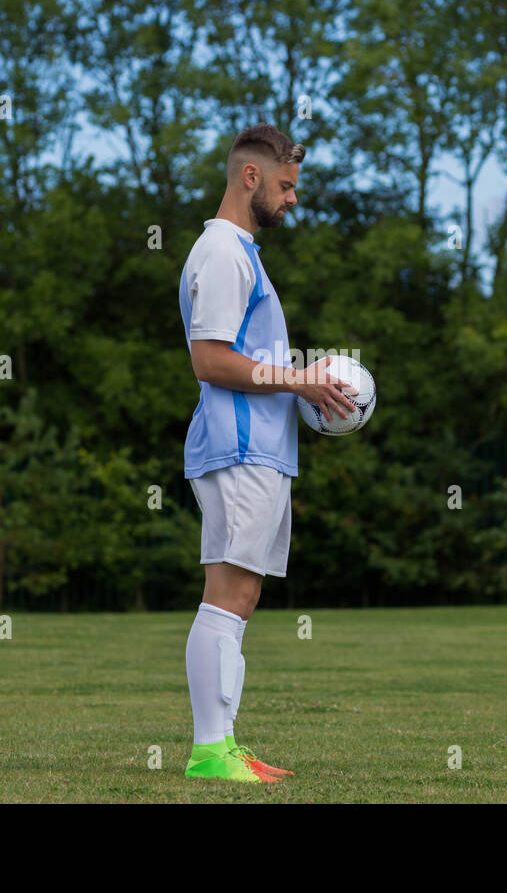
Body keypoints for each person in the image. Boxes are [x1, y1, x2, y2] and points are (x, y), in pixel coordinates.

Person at [177, 123, 355, 783]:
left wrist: (301, 386)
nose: (293, 199)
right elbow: (211, 360)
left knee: (241, 595)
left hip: (260, 450)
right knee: (228, 593)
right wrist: (300, 379)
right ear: (250, 178)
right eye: (286, 186)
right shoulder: (222, 252)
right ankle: (210, 752)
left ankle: (221, 744)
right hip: (239, 446)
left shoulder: (241, 253)